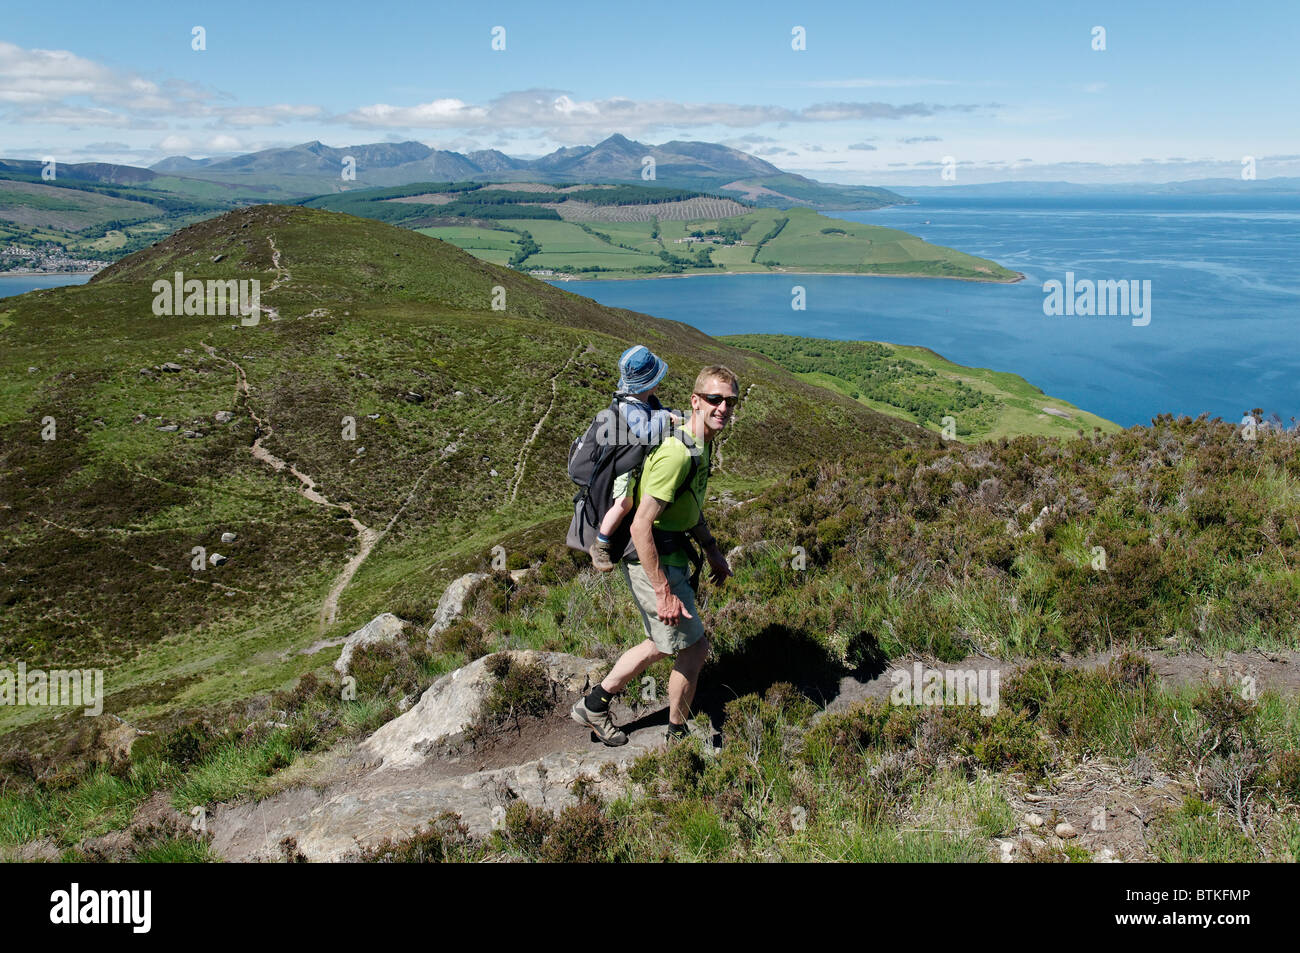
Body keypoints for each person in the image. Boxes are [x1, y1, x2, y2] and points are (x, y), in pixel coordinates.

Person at [571, 365, 739, 746]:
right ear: (695, 401)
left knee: (662, 643)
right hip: (653, 558)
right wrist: (663, 591)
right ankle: (678, 736)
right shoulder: (677, 453)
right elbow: (640, 526)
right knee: (693, 648)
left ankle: (594, 705)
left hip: (671, 552)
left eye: (730, 401)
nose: (723, 408)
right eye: (714, 399)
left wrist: (711, 549)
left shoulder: (702, 443)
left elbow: (688, 505)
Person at [588, 345, 684, 572]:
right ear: (647, 382)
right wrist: (664, 417)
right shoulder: (630, 406)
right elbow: (644, 432)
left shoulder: (642, 399)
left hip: (634, 462)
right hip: (625, 465)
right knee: (624, 503)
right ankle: (601, 543)